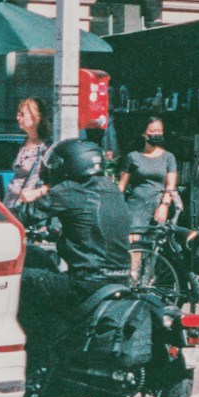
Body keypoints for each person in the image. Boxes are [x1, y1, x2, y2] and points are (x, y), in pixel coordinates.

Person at [16, 140, 132, 349]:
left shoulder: (70, 190)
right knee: (40, 260)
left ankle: (36, 349)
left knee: (18, 280)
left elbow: (22, 216)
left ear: (69, 165)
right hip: (120, 279)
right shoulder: (111, 189)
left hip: (85, 283)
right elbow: (94, 230)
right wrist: (58, 235)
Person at [118, 117, 178, 234]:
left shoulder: (168, 157)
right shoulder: (133, 157)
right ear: (144, 134)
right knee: (135, 245)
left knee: (154, 245)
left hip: (158, 206)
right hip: (136, 207)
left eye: (159, 131)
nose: (157, 134)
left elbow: (171, 185)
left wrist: (164, 205)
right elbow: (122, 186)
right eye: (153, 131)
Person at [9, 97, 48, 207]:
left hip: (29, 209)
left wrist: (37, 193)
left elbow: (58, 183)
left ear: (36, 117)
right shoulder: (24, 142)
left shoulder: (46, 147)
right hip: (12, 205)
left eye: (22, 114)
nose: (18, 117)